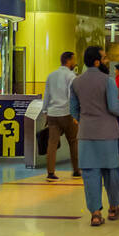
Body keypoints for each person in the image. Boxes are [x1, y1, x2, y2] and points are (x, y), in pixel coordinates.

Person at [71, 46, 119, 227]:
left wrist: (85, 120)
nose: (108, 60)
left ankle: (95, 214)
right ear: (97, 61)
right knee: (111, 172)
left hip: (86, 135)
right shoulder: (108, 81)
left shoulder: (76, 82)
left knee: (90, 174)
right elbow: (113, 106)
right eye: (104, 58)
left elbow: (73, 110)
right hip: (107, 133)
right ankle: (114, 207)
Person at [42, 50, 78, 181]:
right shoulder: (71, 76)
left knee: (52, 143)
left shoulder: (51, 75)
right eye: (74, 60)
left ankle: (50, 173)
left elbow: (46, 95)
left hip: (52, 114)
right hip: (67, 113)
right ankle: (76, 170)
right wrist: (75, 114)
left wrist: (45, 111)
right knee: (73, 141)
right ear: (69, 61)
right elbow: (71, 96)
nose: (75, 62)